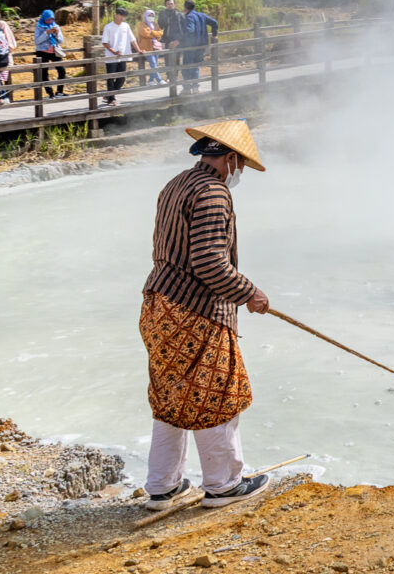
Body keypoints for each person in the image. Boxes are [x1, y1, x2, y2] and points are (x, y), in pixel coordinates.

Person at [140, 119, 271, 510]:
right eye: (241, 164)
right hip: (196, 312)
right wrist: (251, 293)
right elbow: (209, 262)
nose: (240, 171)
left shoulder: (177, 183)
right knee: (218, 395)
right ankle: (223, 485)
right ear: (229, 158)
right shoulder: (214, 194)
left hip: (158, 304)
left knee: (171, 394)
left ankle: (162, 487)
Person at [101, 7, 139, 106]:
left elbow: (132, 39)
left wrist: (139, 50)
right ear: (116, 15)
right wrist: (113, 51)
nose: (122, 18)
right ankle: (111, 99)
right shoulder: (108, 27)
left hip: (123, 55)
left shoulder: (126, 26)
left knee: (122, 77)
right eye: (121, 15)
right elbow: (105, 42)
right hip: (111, 56)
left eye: (124, 16)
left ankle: (109, 95)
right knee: (111, 77)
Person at [180, 0, 218, 93]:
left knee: (187, 67)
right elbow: (214, 23)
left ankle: (187, 89)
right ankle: (196, 87)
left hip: (191, 46)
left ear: (185, 8)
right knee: (195, 66)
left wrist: (180, 40)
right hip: (201, 46)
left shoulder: (188, 17)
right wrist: (214, 34)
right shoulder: (202, 15)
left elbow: (190, 30)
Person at [34, 8, 67, 99]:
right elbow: (37, 41)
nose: (50, 21)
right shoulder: (39, 27)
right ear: (44, 18)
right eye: (48, 19)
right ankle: (50, 93)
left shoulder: (55, 26)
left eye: (51, 19)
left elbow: (60, 41)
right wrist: (46, 33)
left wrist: (56, 33)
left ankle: (59, 91)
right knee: (44, 73)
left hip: (54, 51)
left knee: (62, 70)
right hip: (42, 52)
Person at [138, 9, 165, 86]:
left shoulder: (155, 24)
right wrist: (155, 34)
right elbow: (145, 34)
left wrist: (152, 32)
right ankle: (159, 80)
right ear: (146, 16)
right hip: (146, 47)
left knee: (155, 64)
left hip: (155, 46)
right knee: (153, 63)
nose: (151, 17)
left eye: (152, 15)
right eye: (149, 15)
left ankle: (150, 81)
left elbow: (161, 32)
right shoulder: (142, 24)